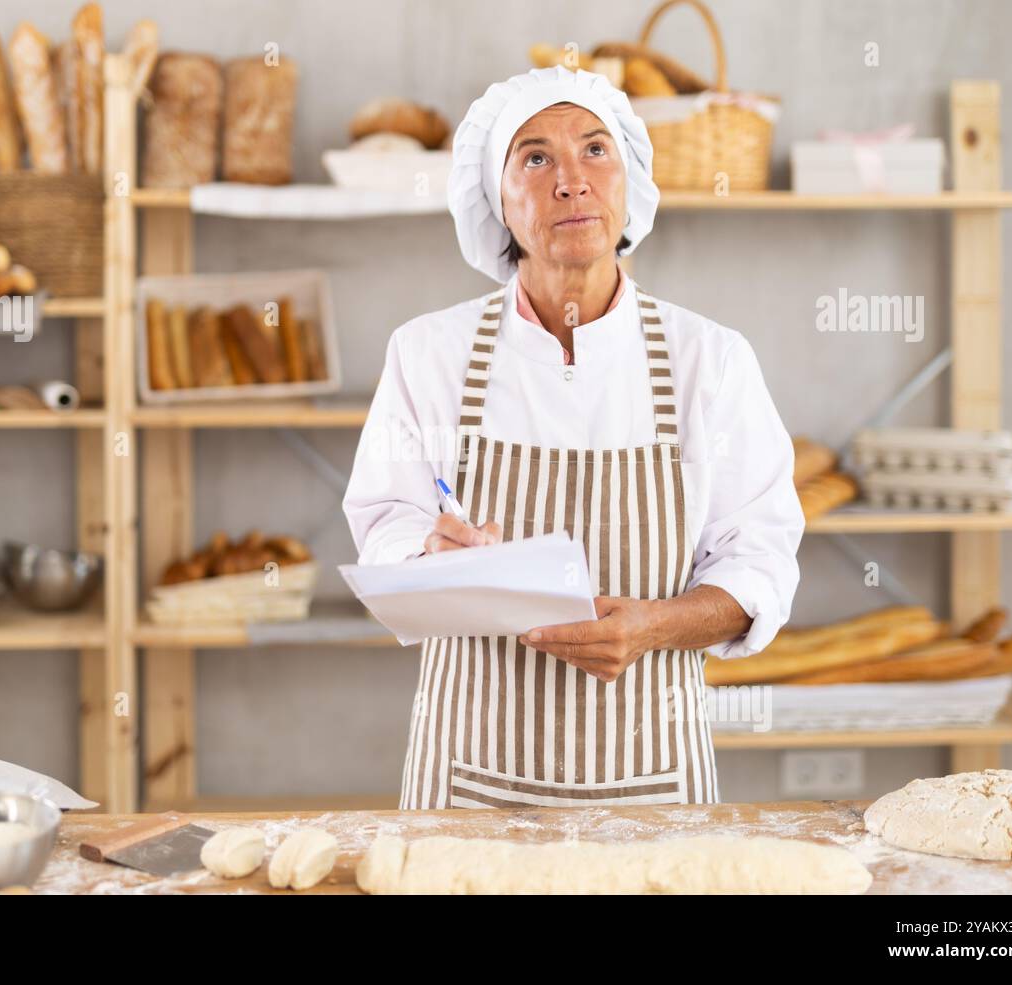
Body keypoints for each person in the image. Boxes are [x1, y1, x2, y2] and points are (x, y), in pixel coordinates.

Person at [343, 66, 804, 810]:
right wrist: (428, 552)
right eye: (534, 157)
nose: (570, 180)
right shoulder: (428, 353)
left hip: (655, 795)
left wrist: (657, 625)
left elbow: (761, 561)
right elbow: (383, 523)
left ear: (629, 181)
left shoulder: (710, 360)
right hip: (468, 791)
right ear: (495, 200)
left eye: (595, 150)